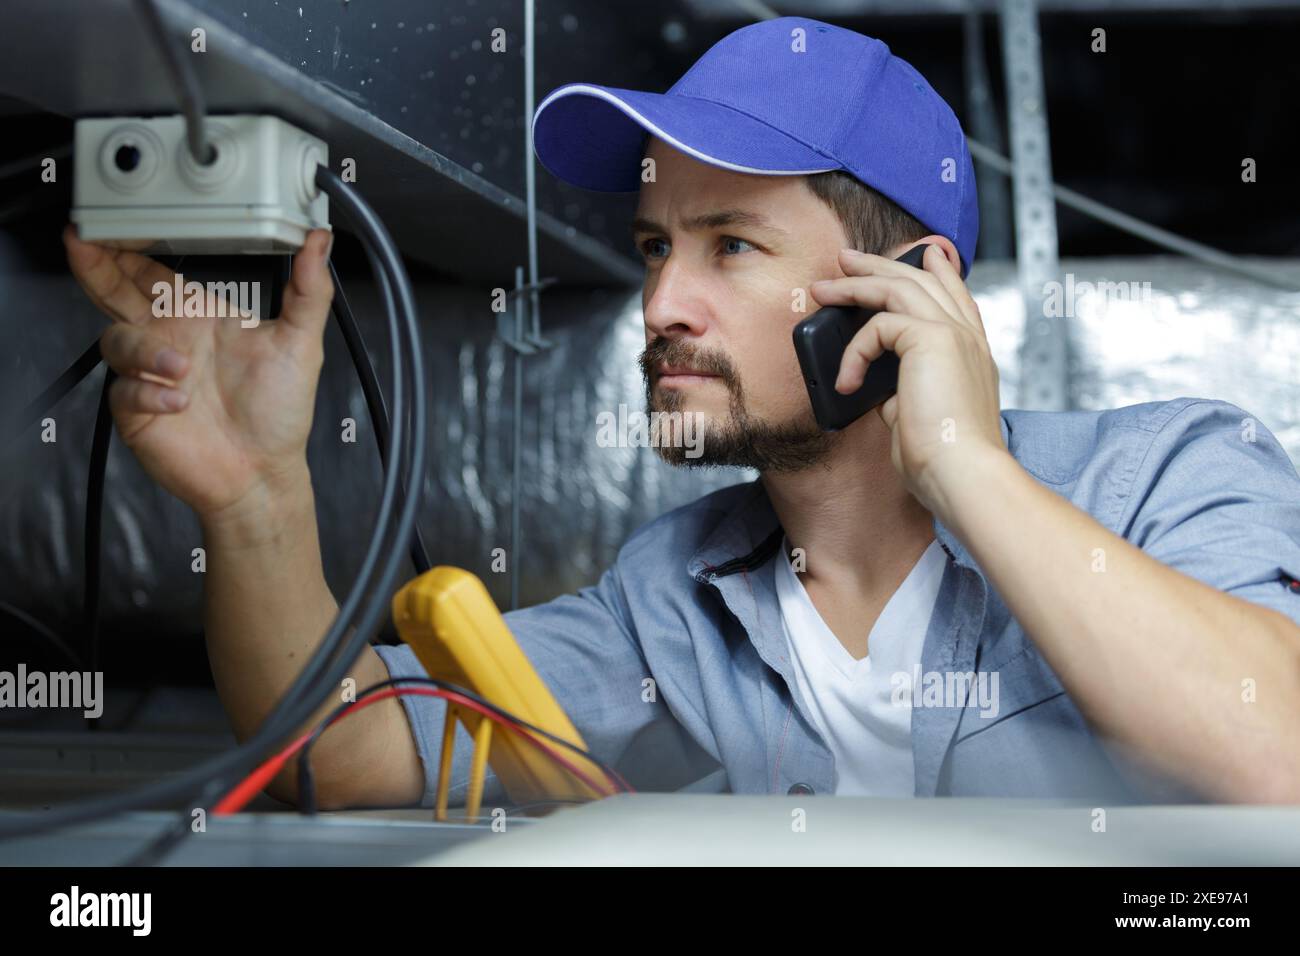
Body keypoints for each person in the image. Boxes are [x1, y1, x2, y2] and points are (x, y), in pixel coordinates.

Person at [63, 17, 1300, 808]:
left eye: (732, 244)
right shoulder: (672, 596)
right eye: (656, 244)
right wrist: (253, 493)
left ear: (911, 288)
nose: (663, 299)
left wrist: (962, 459)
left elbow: (1277, 763)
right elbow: (337, 755)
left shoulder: (1167, 476)